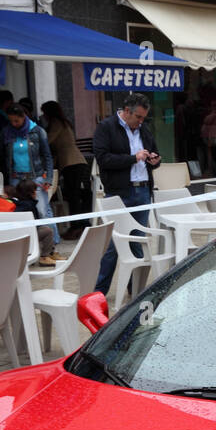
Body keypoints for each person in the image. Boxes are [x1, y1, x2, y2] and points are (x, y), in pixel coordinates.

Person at [92, 93, 162, 297]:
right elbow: (103, 159)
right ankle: (99, 292)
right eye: (138, 117)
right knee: (114, 245)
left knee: (138, 241)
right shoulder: (107, 127)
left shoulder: (143, 129)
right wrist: (133, 158)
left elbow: (155, 152)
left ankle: (136, 291)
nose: (141, 121)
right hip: (119, 192)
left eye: (143, 118)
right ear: (127, 111)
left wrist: (155, 160)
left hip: (142, 190)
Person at [0, 103, 59, 262]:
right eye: (11, 121)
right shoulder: (6, 133)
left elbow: (47, 156)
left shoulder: (37, 131)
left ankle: (50, 249)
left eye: (16, 121)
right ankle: (27, 249)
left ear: (24, 117)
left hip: (36, 177)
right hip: (16, 177)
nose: (14, 124)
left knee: (42, 211)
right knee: (19, 212)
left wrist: (48, 178)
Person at [40, 101, 89, 238]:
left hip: (71, 163)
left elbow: (47, 140)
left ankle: (76, 227)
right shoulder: (64, 122)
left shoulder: (56, 123)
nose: (43, 116)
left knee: (73, 196)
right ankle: (79, 225)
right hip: (76, 162)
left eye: (44, 113)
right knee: (75, 196)